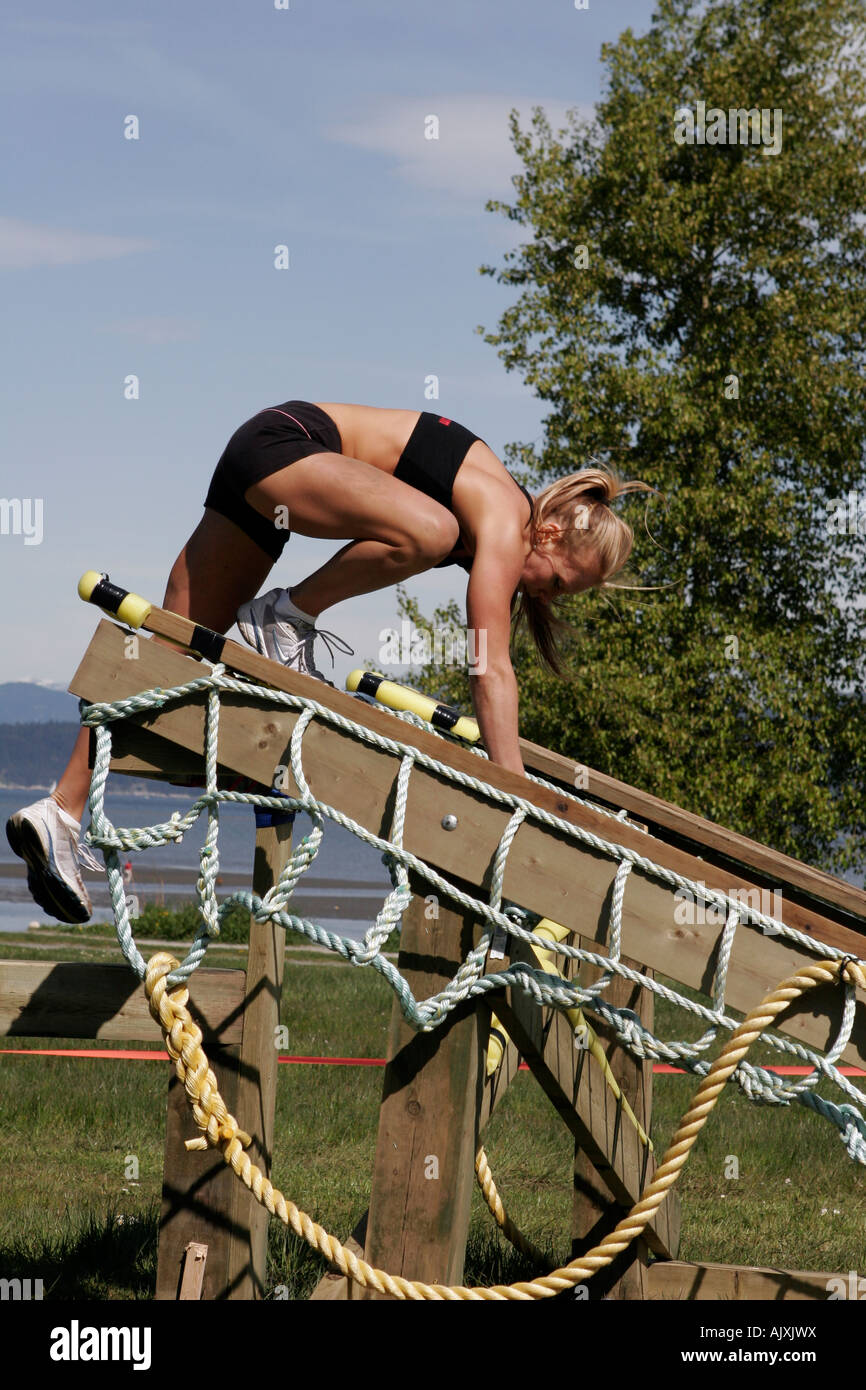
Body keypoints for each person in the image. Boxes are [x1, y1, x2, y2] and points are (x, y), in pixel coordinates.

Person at [6, 398, 653, 924]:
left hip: (259, 459)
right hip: (288, 446)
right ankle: (287, 615)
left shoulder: (506, 519)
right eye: (559, 581)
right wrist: (515, 794)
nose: (549, 595)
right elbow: (491, 665)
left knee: (169, 650)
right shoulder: (509, 520)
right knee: (433, 531)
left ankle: (59, 812)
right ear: (550, 533)